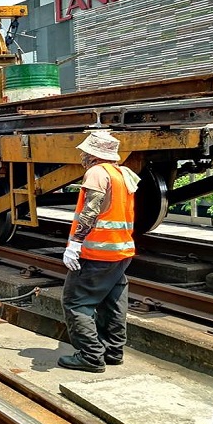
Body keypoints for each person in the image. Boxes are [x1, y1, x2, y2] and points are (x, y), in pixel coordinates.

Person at [59, 131, 140, 372]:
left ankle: (91, 356)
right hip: (121, 251)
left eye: (85, 151)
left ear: (94, 154)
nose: (82, 155)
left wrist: (75, 243)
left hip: (97, 252)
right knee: (112, 301)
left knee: (75, 302)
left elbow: (90, 210)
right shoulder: (122, 173)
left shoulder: (97, 172)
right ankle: (113, 351)